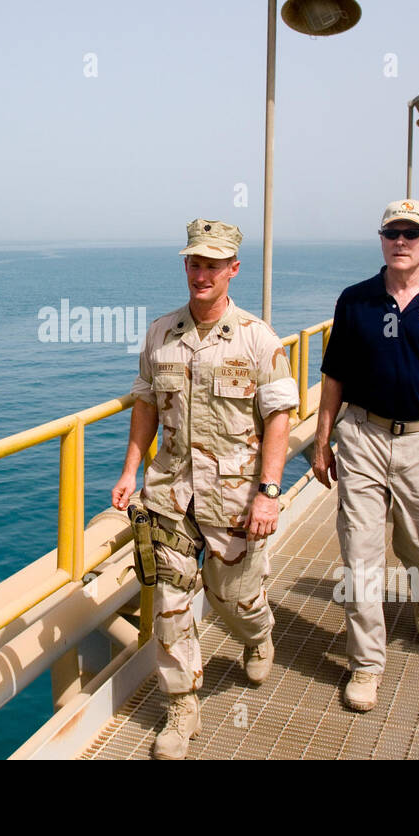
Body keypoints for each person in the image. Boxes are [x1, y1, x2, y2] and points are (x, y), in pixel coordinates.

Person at [111, 219, 297, 758]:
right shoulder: (160, 334)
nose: (202, 274)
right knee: (169, 599)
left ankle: (259, 634)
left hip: (235, 497)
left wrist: (268, 491)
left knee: (234, 598)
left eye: (213, 265)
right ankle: (182, 706)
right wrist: (129, 471)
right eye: (194, 263)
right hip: (170, 490)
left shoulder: (258, 338)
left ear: (233, 270)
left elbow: (279, 419)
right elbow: (146, 404)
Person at [312, 199, 419, 713]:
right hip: (362, 436)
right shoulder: (356, 300)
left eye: (413, 233)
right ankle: (366, 665)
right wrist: (323, 440)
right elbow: (334, 375)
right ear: (382, 239)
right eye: (393, 232)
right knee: (359, 556)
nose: (402, 241)